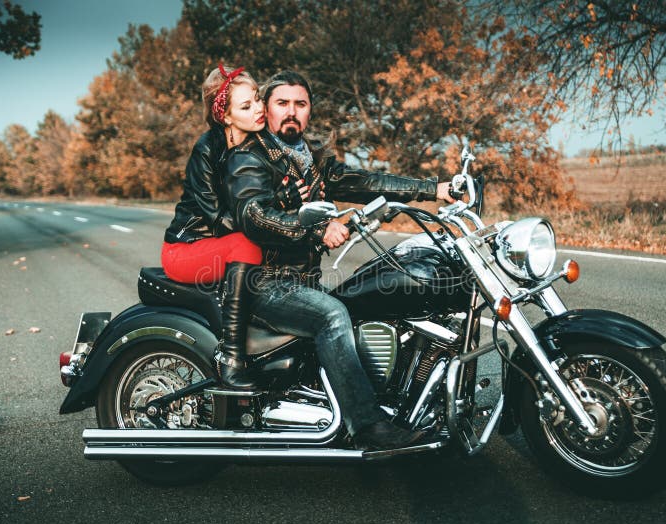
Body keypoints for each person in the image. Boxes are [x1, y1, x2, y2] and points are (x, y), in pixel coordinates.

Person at [224, 70, 456, 450]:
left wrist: (435, 190)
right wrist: (316, 230)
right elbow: (253, 215)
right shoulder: (249, 158)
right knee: (333, 315)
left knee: (375, 290)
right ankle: (367, 425)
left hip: (301, 282)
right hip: (266, 284)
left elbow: (363, 182)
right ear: (266, 108)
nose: (291, 112)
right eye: (282, 103)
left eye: (300, 104)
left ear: (309, 110)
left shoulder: (309, 158)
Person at [162, 65, 306, 389]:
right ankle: (231, 357)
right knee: (247, 243)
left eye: (257, 99)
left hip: (218, 245)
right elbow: (219, 218)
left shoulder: (261, 144)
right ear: (225, 117)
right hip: (185, 248)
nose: (258, 108)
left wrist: (288, 198)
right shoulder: (207, 149)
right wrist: (274, 209)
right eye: (246, 106)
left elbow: (266, 199)